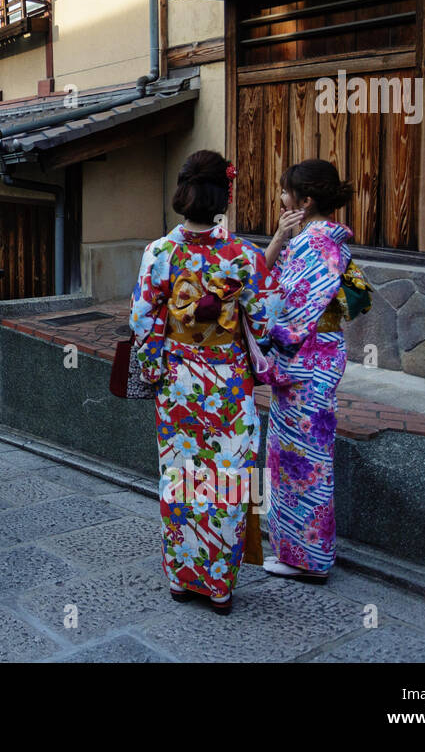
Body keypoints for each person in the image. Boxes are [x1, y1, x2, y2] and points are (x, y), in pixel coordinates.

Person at [130, 149, 281, 615]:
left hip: (176, 381)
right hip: (227, 385)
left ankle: (181, 579)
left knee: (179, 478)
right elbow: (266, 323)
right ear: (225, 196)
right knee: (227, 481)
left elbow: (142, 320)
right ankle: (217, 585)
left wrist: (157, 370)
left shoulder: (160, 252)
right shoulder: (245, 257)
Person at [260, 159, 357, 582]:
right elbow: (271, 281)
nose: (282, 198)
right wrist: (280, 240)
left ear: (306, 200)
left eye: (286, 192)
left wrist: (262, 342)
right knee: (303, 459)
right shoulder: (316, 240)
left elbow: (290, 310)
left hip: (304, 367)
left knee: (301, 462)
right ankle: (303, 553)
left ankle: (307, 559)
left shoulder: (316, 244)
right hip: (313, 361)